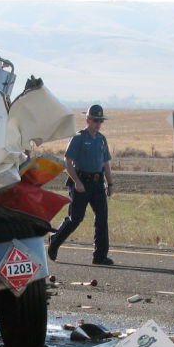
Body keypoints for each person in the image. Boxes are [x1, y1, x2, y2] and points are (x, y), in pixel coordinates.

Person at [48, 104, 115, 265]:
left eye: (100, 121)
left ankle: (100, 256)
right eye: (94, 120)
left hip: (98, 184)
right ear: (87, 120)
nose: (97, 124)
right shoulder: (78, 138)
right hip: (81, 183)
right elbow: (68, 161)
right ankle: (55, 241)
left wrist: (110, 183)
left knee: (102, 218)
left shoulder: (101, 139)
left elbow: (106, 163)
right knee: (76, 218)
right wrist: (77, 182)